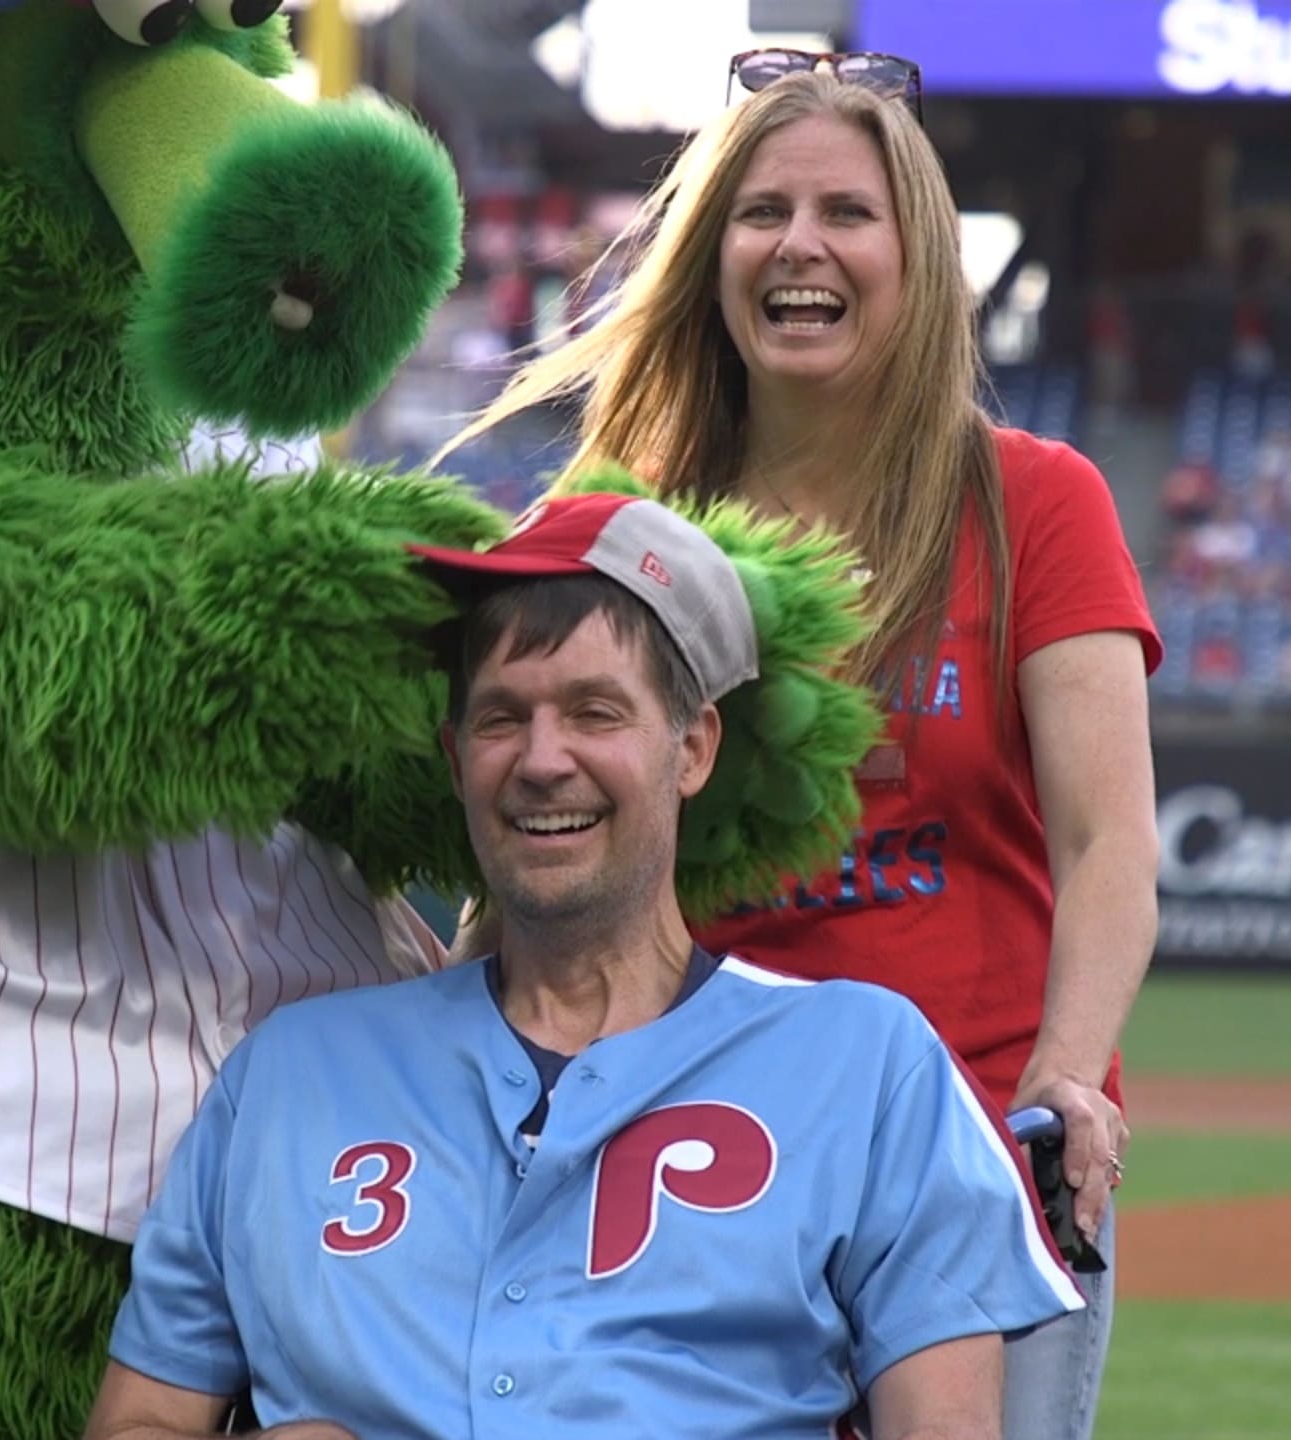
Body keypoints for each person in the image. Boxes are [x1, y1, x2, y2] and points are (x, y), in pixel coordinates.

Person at [437, 60, 1161, 1440]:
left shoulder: (1033, 503)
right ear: (713, 261)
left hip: (977, 1167)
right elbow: (543, 829)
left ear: (920, 259)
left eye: (848, 211)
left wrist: (1067, 1075)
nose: (801, 246)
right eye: (762, 212)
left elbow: (1110, 844)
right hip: (689, 1165)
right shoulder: (628, 528)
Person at [80, 492, 1084, 1440]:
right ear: (453, 753)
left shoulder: (865, 1067)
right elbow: (143, 1417)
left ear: (691, 750)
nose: (542, 758)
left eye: (595, 713)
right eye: (501, 717)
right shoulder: (290, 1074)